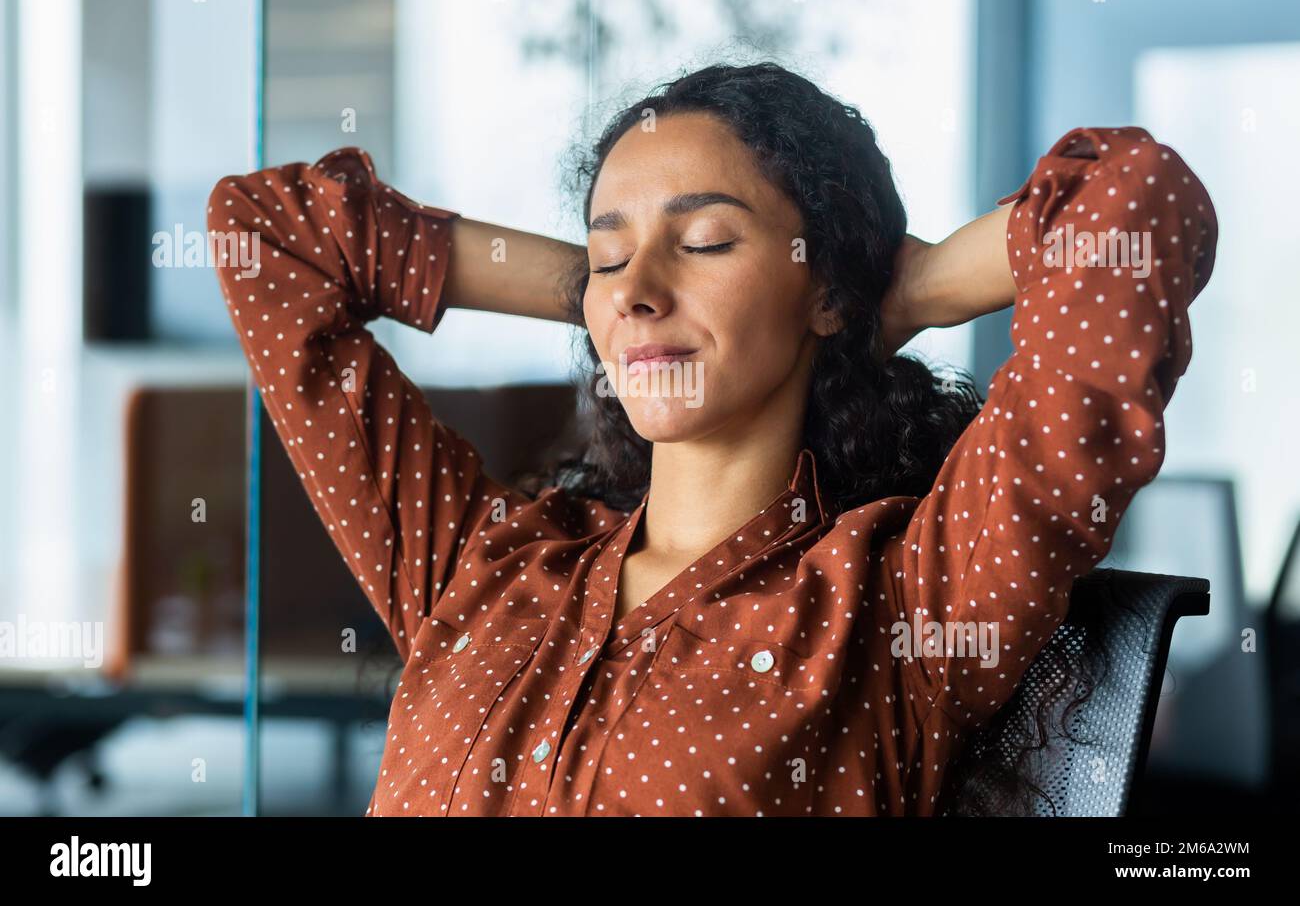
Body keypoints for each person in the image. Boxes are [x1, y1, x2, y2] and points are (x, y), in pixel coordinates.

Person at [207, 61, 1217, 816]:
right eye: (611, 251)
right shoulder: (477, 565)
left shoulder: (904, 603)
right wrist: (597, 291)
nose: (641, 287)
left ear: (817, 286)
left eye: (704, 243)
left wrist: (889, 291)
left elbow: (1132, 203)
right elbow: (263, 236)